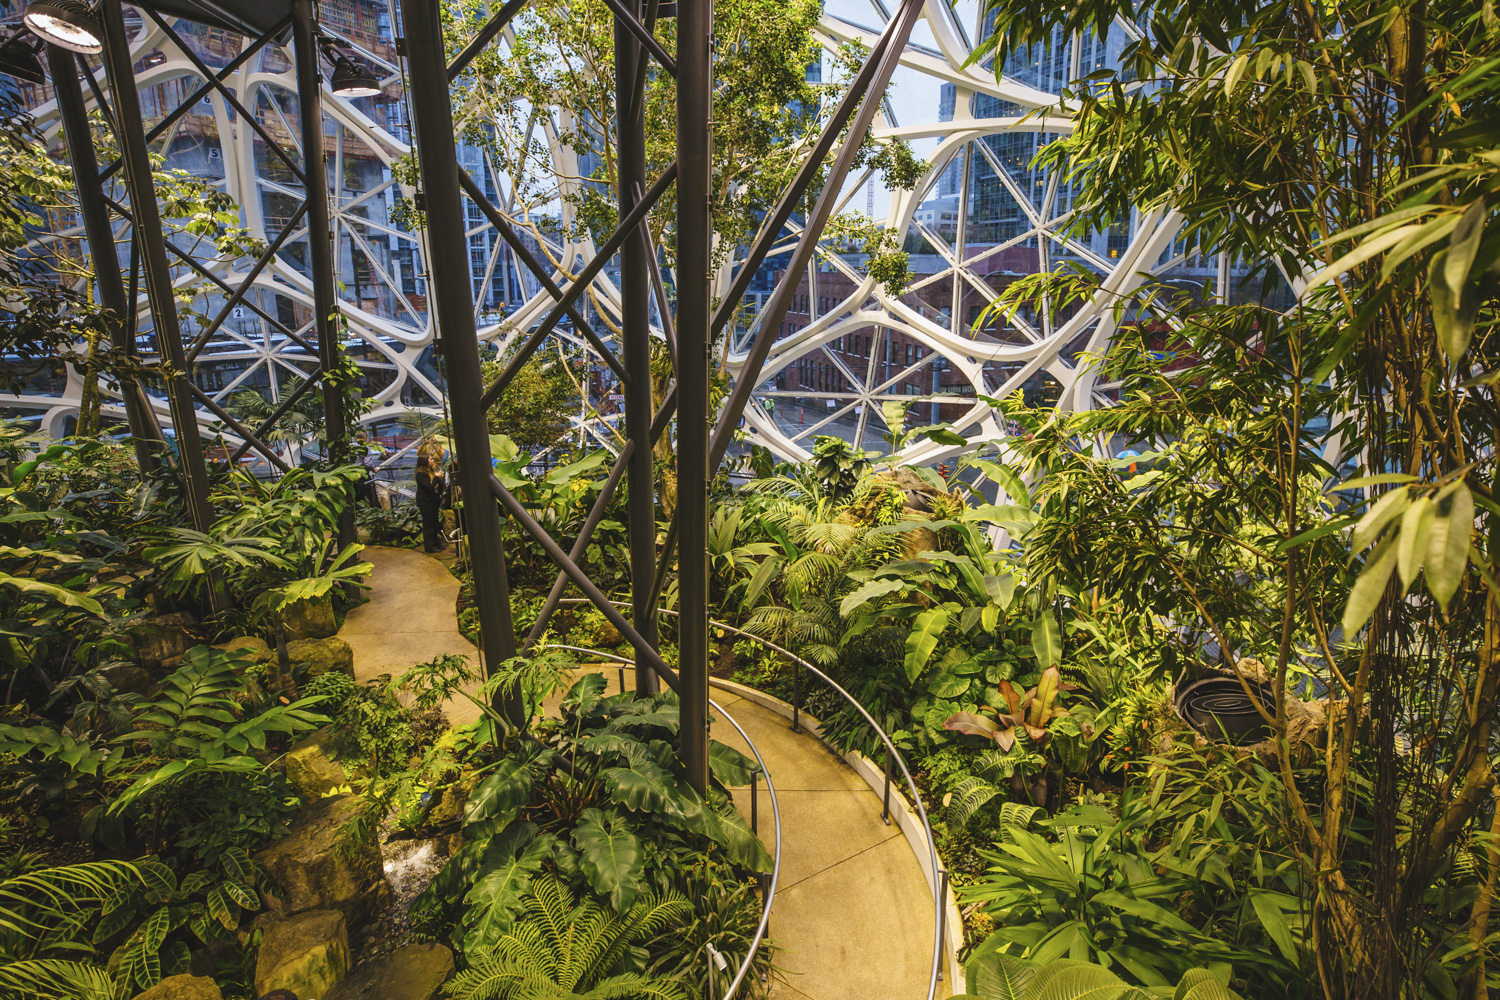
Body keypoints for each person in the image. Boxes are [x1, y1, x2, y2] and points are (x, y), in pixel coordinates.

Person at [414, 453, 447, 553]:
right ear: (425, 461)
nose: (433, 460)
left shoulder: (431, 471)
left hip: (433, 501)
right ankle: (430, 546)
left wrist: (439, 479)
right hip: (426, 502)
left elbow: (436, 485)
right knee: (429, 524)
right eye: (431, 459)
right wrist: (436, 478)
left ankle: (436, 543)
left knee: (435, 523)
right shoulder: (421, 474)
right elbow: (429, 487)